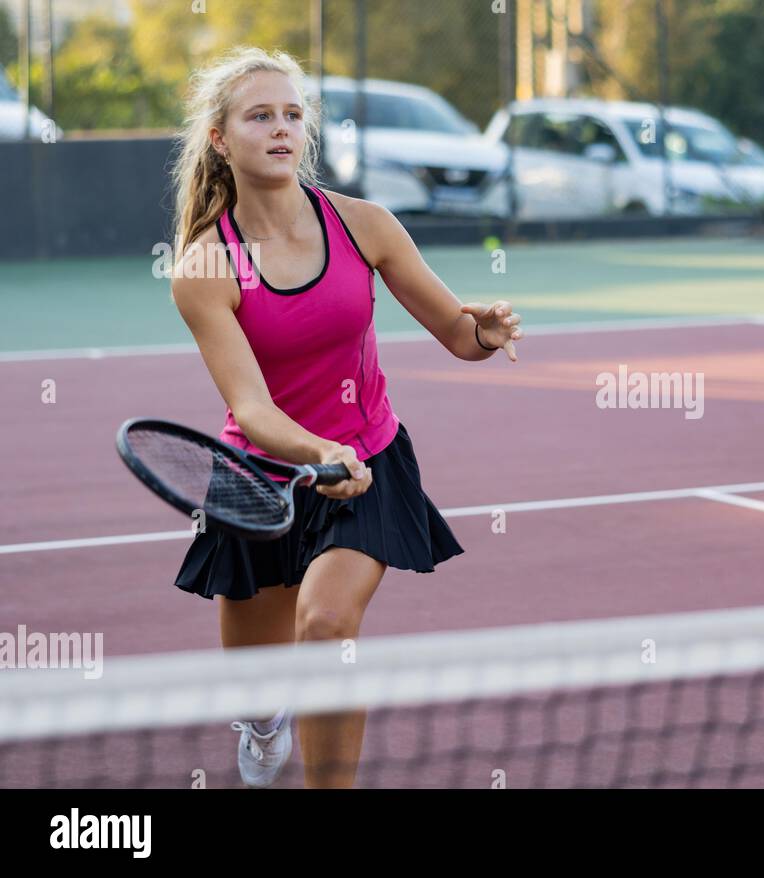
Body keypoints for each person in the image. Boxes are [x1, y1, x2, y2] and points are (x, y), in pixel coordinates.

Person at [167, 47, 523, 788]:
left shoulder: (366, 225)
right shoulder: (204, 265)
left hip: (368, 459)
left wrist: (483, 331)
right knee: (261, 683)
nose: (282, 128)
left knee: (326, 625)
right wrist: (317, 449)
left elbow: (457, 332)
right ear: (222, 140)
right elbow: (251, 406)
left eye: (293, 114)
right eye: (260, 115)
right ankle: (265, 721)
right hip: (259, 475)